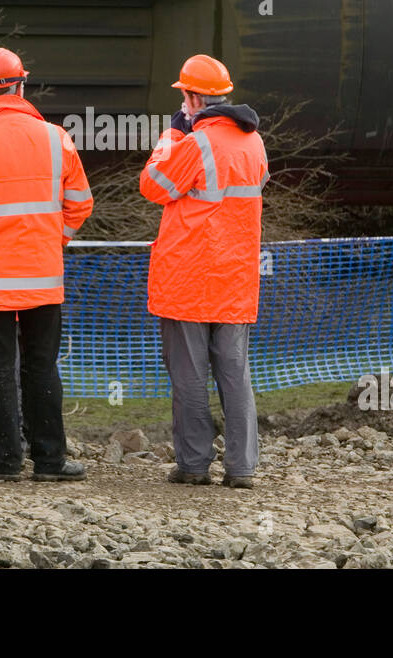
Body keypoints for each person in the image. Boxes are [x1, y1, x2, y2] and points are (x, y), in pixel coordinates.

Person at [0, 47, 93, 482]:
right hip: (42, 275)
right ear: (21, 85)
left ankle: (4, 459)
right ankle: (50, 460)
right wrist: (52, 238)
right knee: (41, 365)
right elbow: (80, 204)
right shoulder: (56, 137)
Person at [139, 54, 269, 488]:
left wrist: (169, 140)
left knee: (190, 377)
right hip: (235, 279)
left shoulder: (193, 144)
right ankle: (242, 468)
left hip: (189, 280)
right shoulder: (255, 143)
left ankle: (194, 466)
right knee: (235, 374)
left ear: (194, 99)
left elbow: (152, 186)